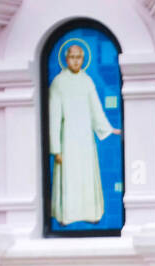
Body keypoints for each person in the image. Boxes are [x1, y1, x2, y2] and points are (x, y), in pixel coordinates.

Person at [48, 43, 121, 225]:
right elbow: (54, 117)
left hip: (86, 140)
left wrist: (109, 128)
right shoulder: (58, 82)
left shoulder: (87, 80)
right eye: (72, 57)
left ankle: (91, 214)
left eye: (79, 57)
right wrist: (57, 149)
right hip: (68, 140)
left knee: (87, 176)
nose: (75, 61)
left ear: (83, 59)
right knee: (70, 177)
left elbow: (96, 109)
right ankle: (67, 217)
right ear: (66, 59)